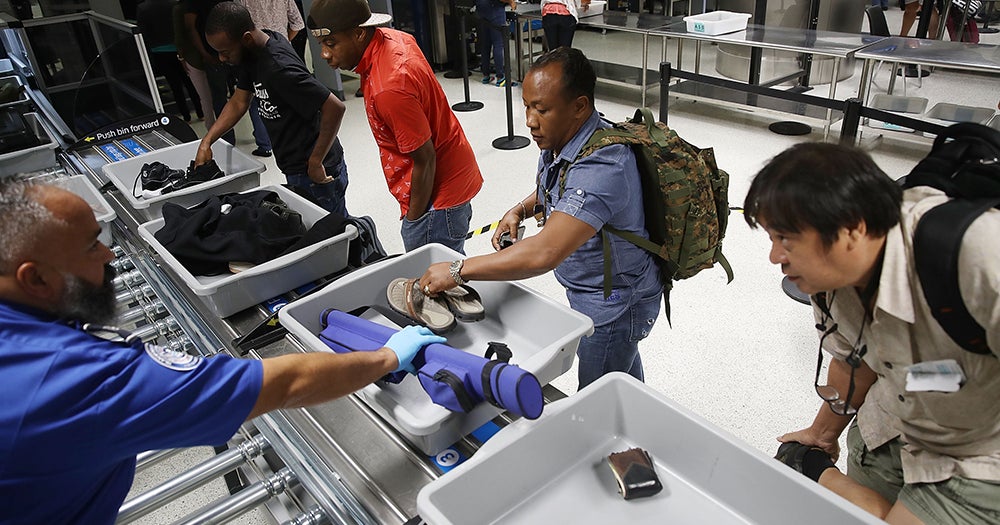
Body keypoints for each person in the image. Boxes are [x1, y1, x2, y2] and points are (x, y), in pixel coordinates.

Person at [0, 179, 445, 524]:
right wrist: (389, 357)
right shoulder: (78, 379)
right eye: (90, 246)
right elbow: (284, 383)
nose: (108, 255)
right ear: (35, 278)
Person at [743, 142, 1000, 523]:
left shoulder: (979, 258)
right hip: (890, 423)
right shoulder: (828, 280)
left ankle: (815, 472)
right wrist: (821, 435)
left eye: (786, 239)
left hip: (979, 452)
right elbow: (853, 362)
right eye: (771, 239)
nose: (775, 257)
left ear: (852, 228)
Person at [416, 47, 662, 390]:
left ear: (579, 106)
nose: (530, 121)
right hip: (594, 292)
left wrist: (458, 270)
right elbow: (562, 186)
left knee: (599, 395)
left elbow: (544, 252)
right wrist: (520, 209)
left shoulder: (605, 165)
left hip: (615, 304)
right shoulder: (565, 137)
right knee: (623, 377)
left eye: (542, 109)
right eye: (527, 107)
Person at [308, 0, 484, 254]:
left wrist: (415, 221)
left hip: (438, 198)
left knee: (434, 274)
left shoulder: (390, 86)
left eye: (331, 43)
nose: (325, 54)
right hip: (450, 173)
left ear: (359, 33)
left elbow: (425, 158)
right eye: (321, 45)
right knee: (450, 266)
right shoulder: (392, 38)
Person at [195, 2, 351, 217]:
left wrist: (315, 162)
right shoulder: (254, 51)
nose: (222, 58)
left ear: (246, 38)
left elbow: (334, 107)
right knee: (326, 225)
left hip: (314, 166)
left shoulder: (279, 68)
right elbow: (239, 101)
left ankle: (366, 235)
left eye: (225, 52)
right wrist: (207, 141)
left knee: (336, 229)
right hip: (295, 163)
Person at [236, 0, 306, 157]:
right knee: (290, 98)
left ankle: (265, 145)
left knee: (258, 100)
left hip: (256, 55)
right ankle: (294, 140)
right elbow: (297, 23)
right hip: (283, 54)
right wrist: (284, 41)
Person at [136, 0, 204, 122]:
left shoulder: (143, 8)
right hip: (179, 48)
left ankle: (186, 116)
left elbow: (143, 31)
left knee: (175, 85)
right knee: (189, 82)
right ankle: (200, 112)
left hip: (158, 50)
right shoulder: (174, 4)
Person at [183, 0, 237, 145]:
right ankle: (229, 139)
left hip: (216, 52)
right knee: (223, 98)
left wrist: (203, 53)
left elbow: (190, 28)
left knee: (221, 98)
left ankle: (228, 141)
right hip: (219, 52)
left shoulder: (193, 5)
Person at [476, 0, 516, 87]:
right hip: (494, 9)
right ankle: (500, 78)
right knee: (498, 43)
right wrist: (511, 2)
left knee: (485, 45)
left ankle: (486, 76)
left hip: (481, 9)